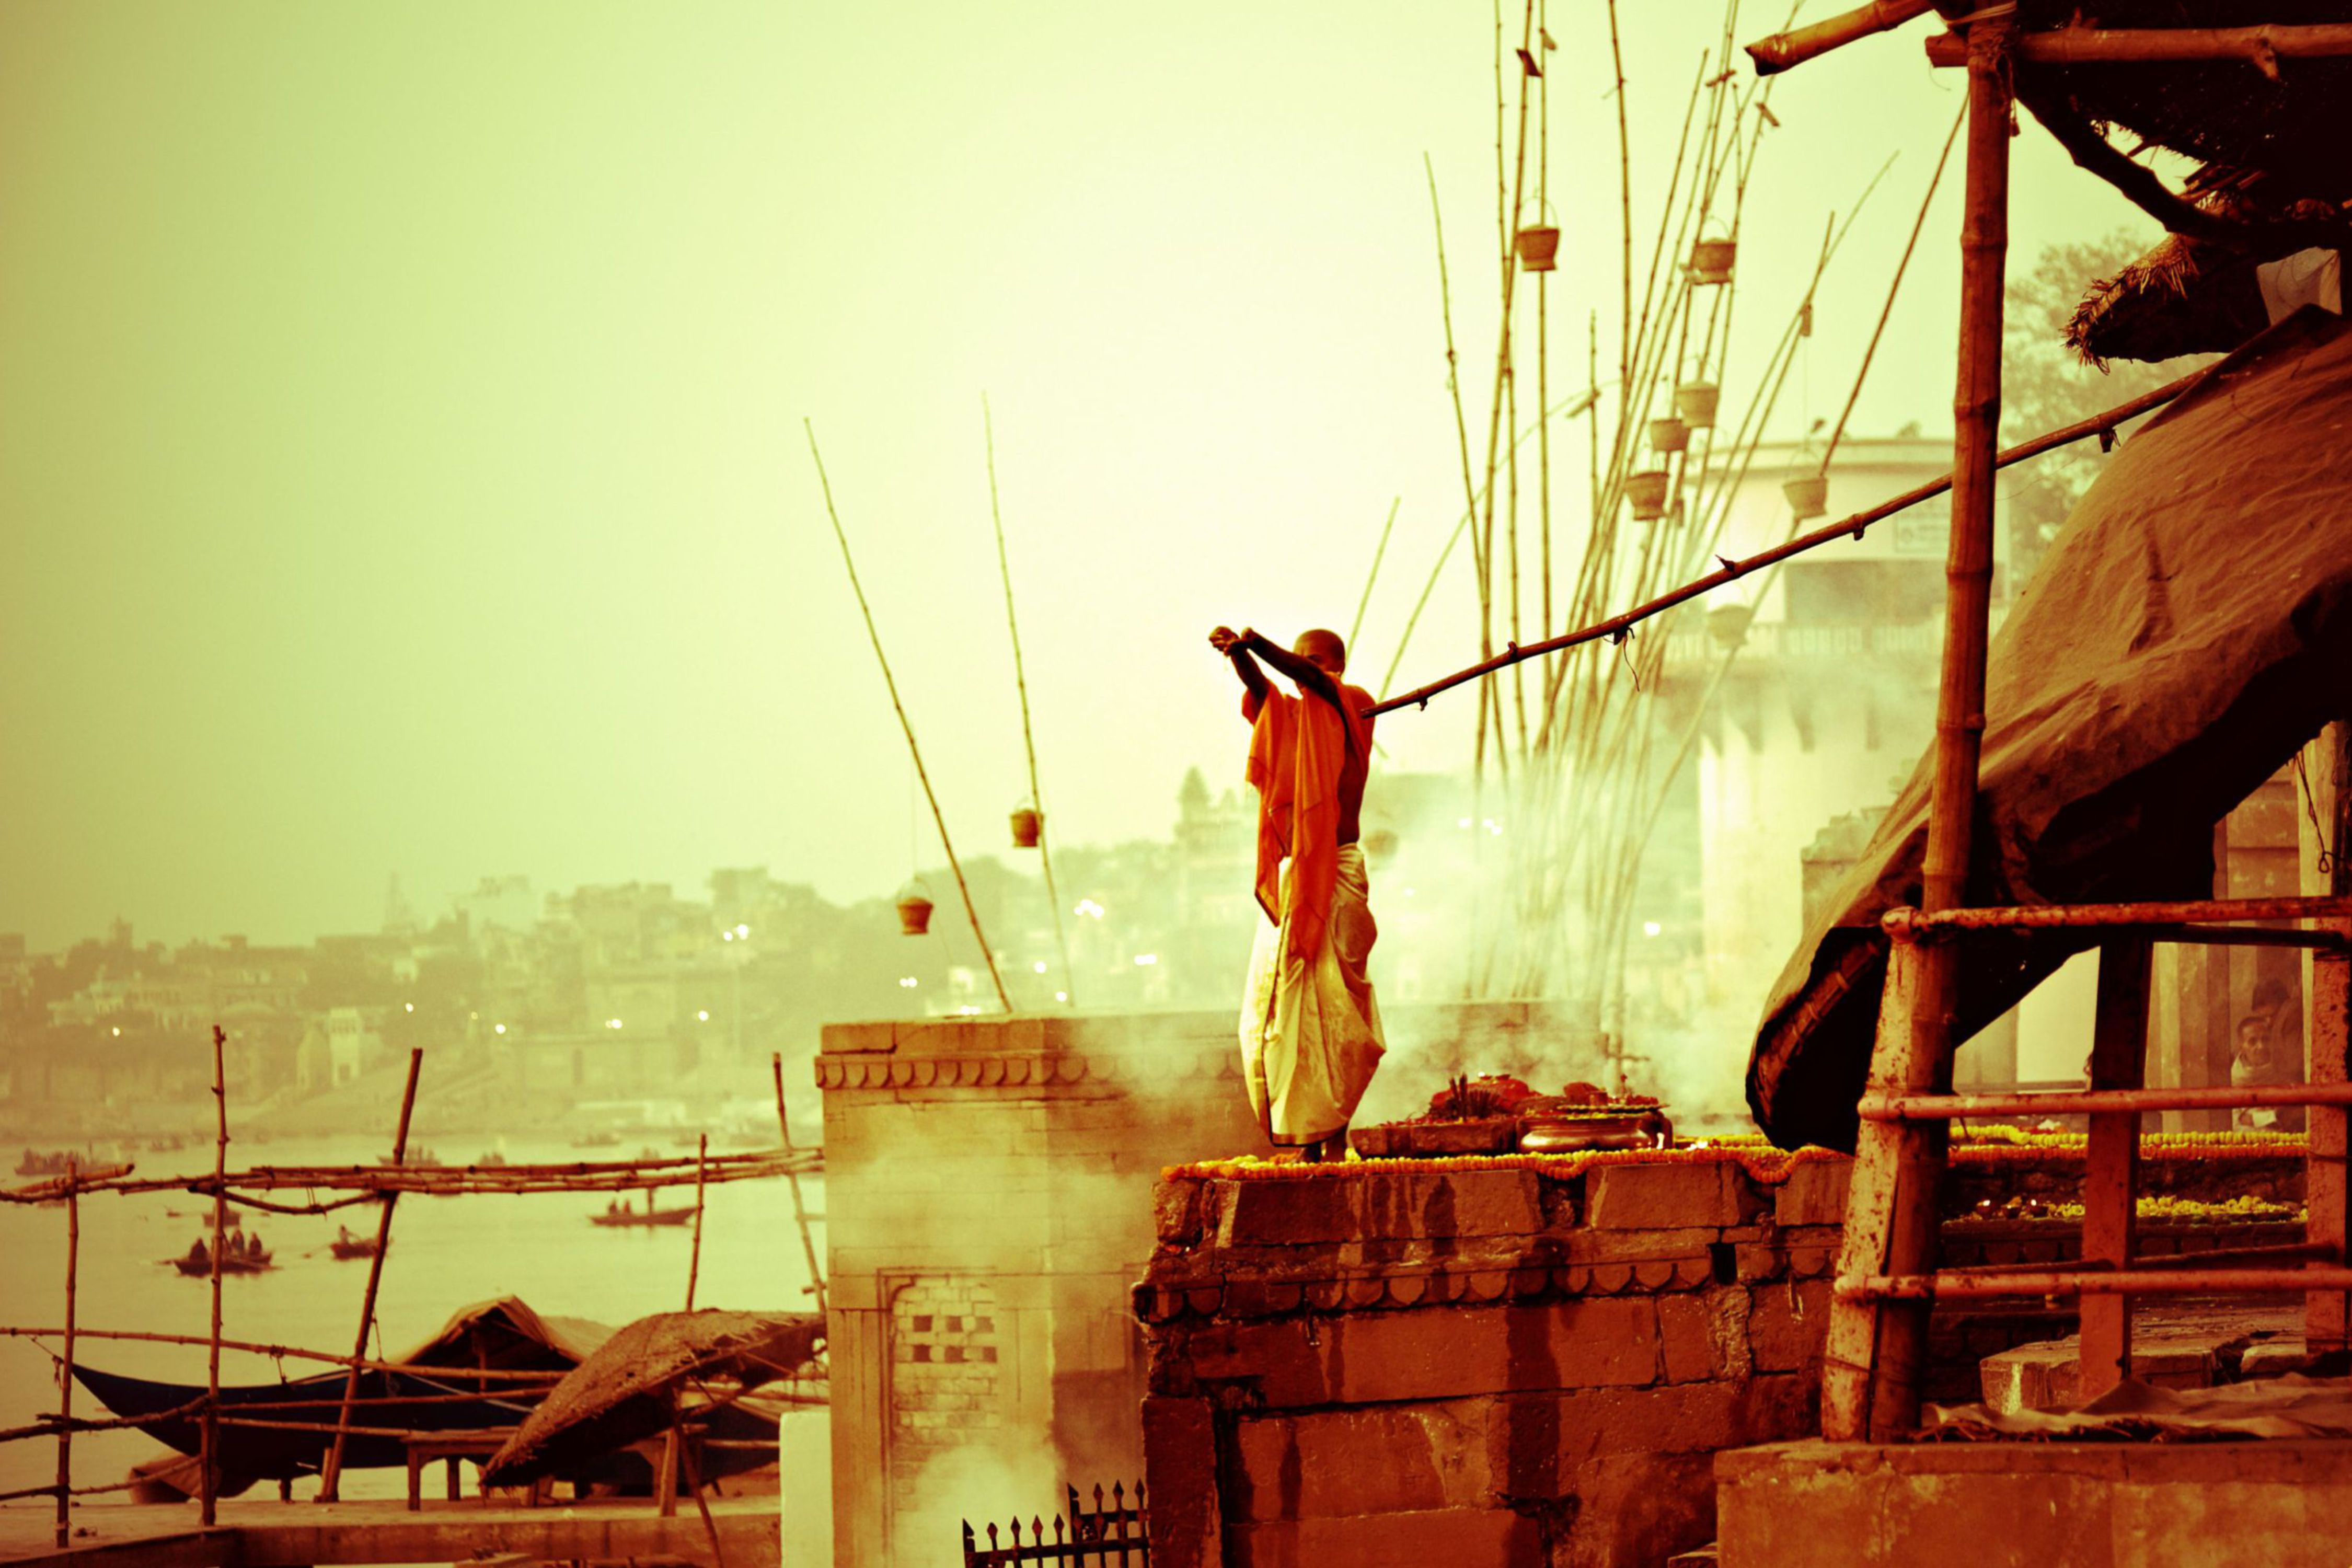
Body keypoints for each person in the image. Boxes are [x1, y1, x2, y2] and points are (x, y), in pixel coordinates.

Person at [1208, 625, 1385, 1162]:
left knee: (1339, 1013)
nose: (1303, 669)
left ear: (1336, 665)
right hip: (1295, 878)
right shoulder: (1294, 716)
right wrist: (1241, 658)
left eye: (1312, 662)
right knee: (1280, 1008)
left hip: (1342, 868)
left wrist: (1261, 645)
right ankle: (1306, 1139)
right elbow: (1266, 697)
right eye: (1300, 659)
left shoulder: (1350, 703)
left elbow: (1309, 681)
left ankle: (1336, 1134)